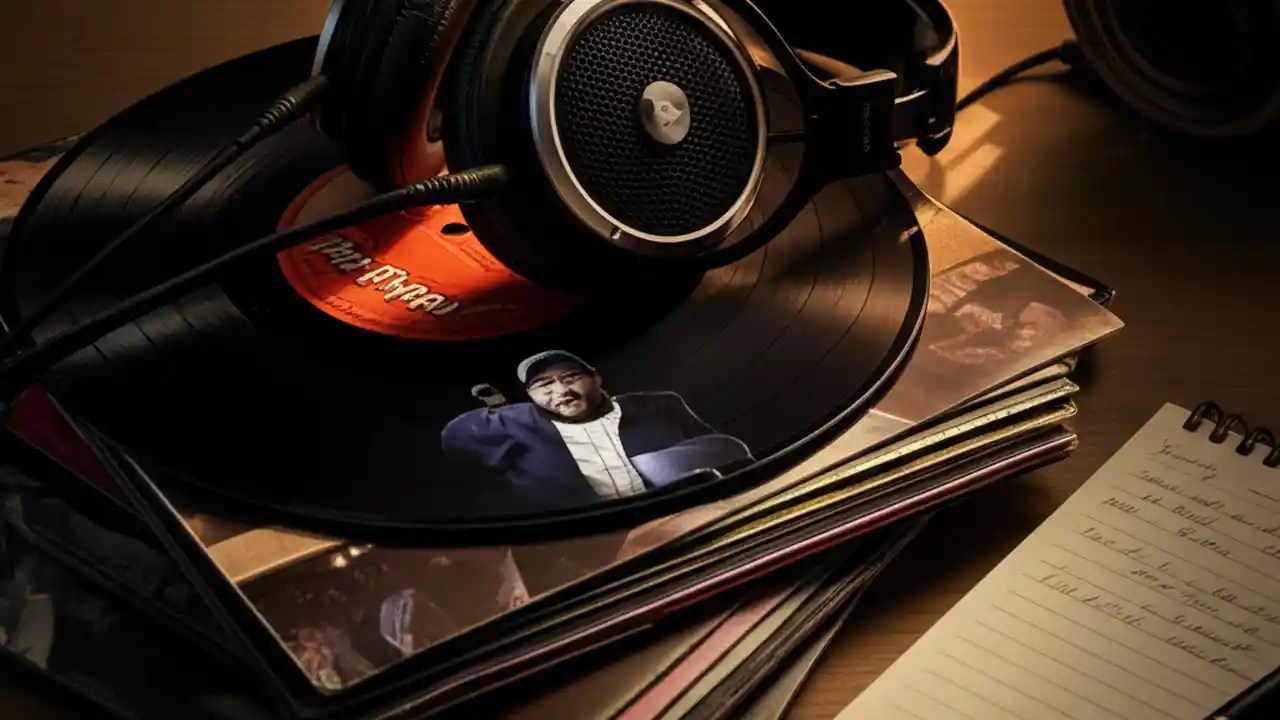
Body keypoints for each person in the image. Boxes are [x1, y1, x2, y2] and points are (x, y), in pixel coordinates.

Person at [440, 350, 752, 513]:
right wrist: (506, 412)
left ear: (597, 378)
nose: (561, 390)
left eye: (570, 377)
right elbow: (455, 437)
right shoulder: (520, 428)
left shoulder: (660, 406)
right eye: (543, 385)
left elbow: (728, 453)